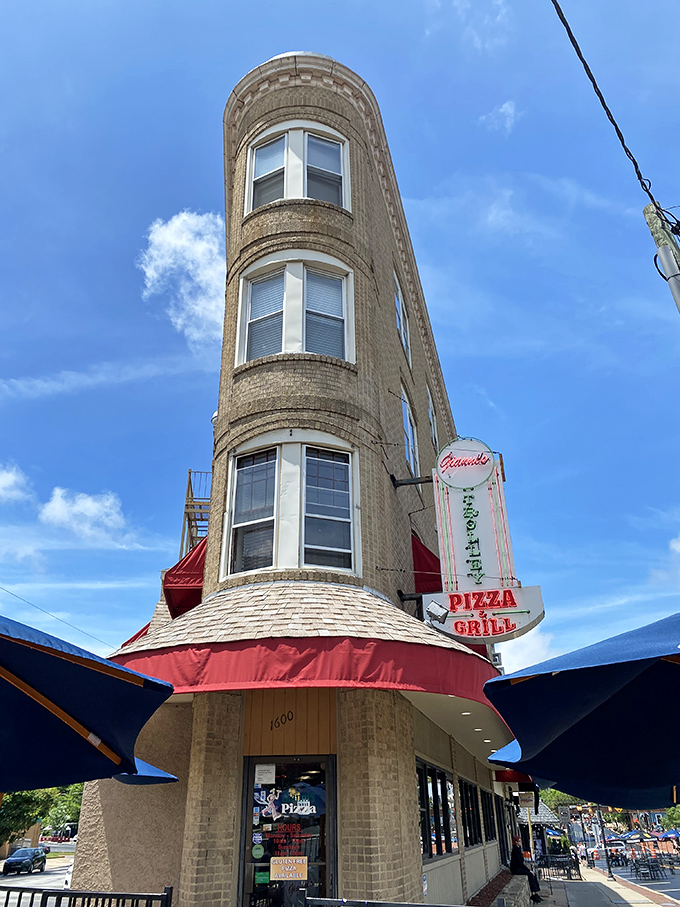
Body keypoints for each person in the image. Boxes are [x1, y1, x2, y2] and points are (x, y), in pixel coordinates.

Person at [510, 835, 542, 903]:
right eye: (519, 841)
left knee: (533, 874)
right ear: (515, 842)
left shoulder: (519, 849)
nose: (520, 842)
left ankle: (536, 893)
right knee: (530, 874)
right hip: (516, 869)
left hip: (519, 867)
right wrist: (528, 870)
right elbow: (519, 863)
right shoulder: (515, 850)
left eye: (520, 841)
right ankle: (533, 894)